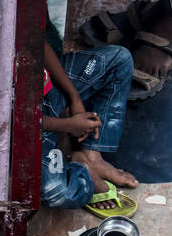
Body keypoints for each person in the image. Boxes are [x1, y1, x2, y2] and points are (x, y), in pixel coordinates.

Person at [40, 42, 139, 217]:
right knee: (60, 193)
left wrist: (74, 98)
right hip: (26, 127)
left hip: (48, 93)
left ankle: (92, 154)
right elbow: (8, 122)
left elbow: (41, 45)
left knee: (120, 59)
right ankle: (79, 165)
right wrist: (68, 124)